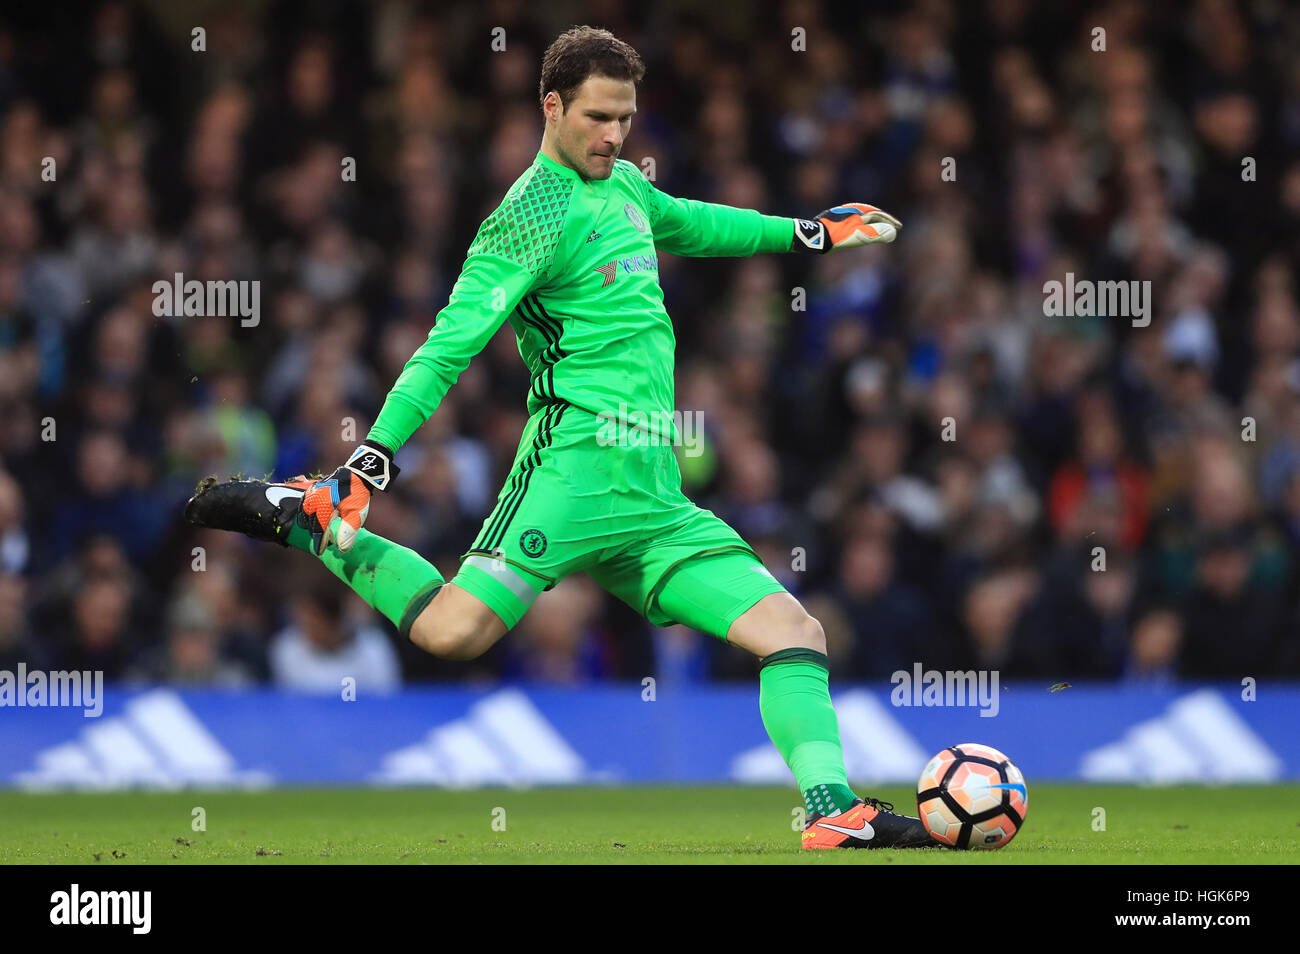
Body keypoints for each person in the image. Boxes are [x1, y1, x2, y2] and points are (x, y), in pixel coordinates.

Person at [185, 25, 929, 850]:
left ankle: (831, 808)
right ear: (552, 105)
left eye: (626, 120)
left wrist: (808, 232)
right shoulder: (526, 216)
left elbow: (694, 222)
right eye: (597, 118)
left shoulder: (627, 191)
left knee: (795, 632)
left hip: (653, 496)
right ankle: (316, 522)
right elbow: (450, 344)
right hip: (570, 474)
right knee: (450, 634)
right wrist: (374, 457)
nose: (614, 137)